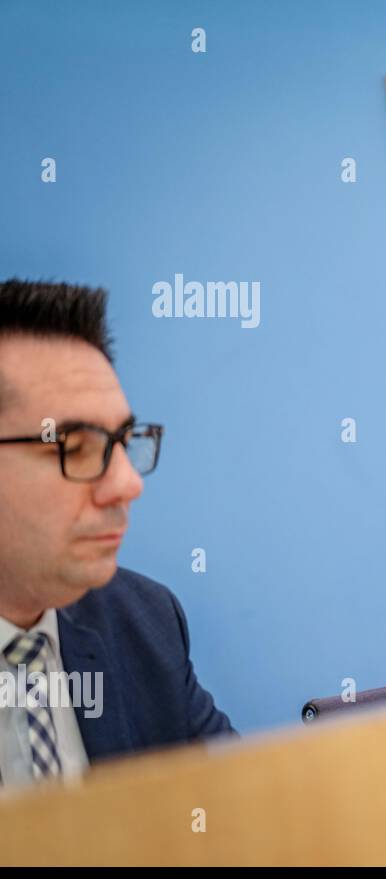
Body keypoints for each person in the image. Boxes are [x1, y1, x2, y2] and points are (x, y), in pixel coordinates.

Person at [0, 279, 233, 788]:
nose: (128, 484)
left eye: (124, 441)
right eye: (74, 448)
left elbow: (236, 807)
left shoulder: (143, 622)